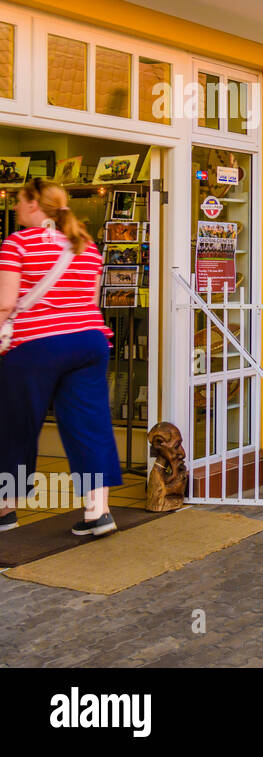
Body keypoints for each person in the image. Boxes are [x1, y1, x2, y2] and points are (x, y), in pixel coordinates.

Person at [0, 179, 120, 536]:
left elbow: (6, 303)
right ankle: (99, 512)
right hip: (89, 341)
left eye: (19, 201)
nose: (15, 207)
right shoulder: (85, 245)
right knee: (91, 427)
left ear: (34, 203)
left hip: (37, 345)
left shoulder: (16, 243)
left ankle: (6, 509)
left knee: (15, 427)